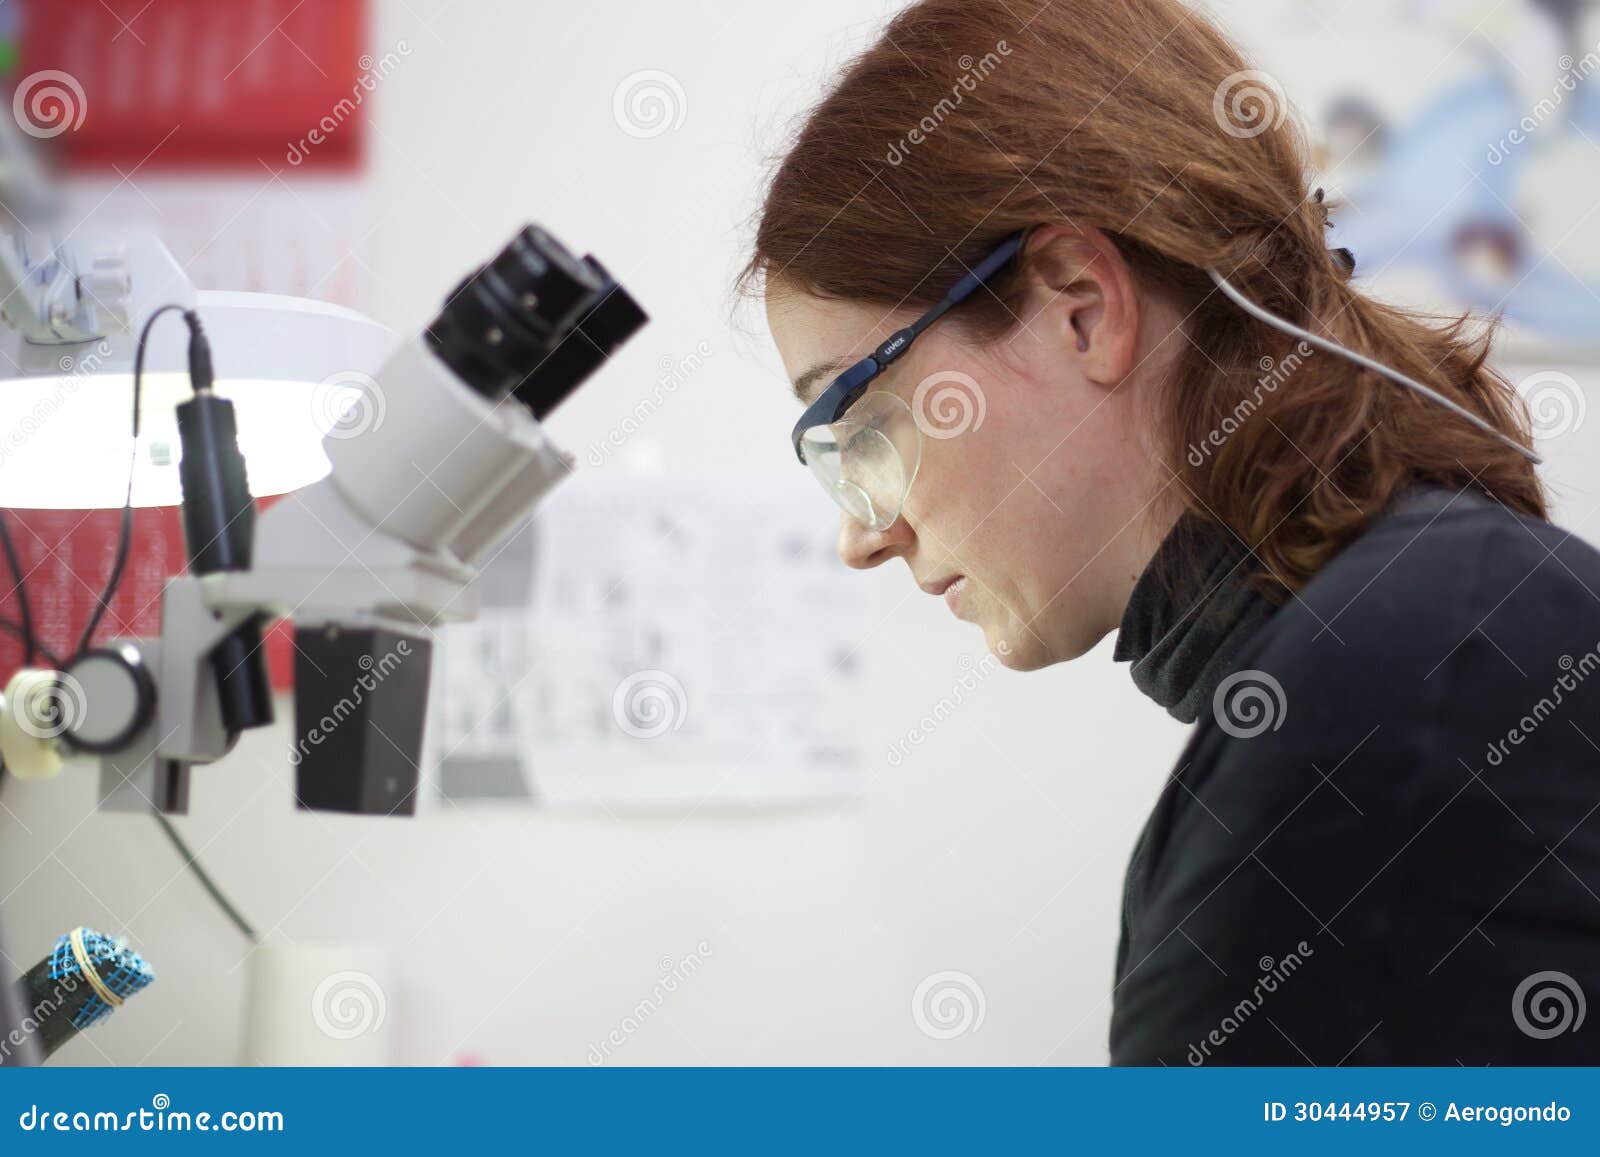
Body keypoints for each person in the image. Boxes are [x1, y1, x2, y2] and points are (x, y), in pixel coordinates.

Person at [744, 0, 1600, 1064]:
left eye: (855, 424)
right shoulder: (1429, 618)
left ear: (1079, 307)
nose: (860, 536)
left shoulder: (1383, 689)